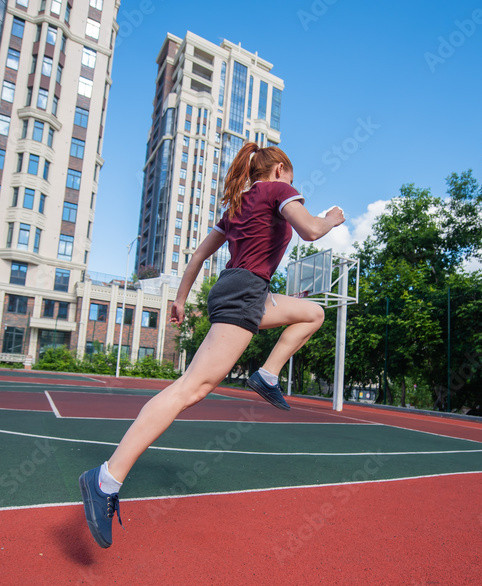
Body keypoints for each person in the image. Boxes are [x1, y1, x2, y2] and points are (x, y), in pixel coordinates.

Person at [79, 142, 345, 548]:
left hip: (243, 290)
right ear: (279, 173)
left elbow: (199, 255)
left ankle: (267, 375)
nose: (294, 186)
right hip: (245, 292)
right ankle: (104, 480)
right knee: (191, 388)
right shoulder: (275, 191)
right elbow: (309, 230)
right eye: (291, 178)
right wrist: (330, 219)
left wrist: (181, 299)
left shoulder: (239, 205)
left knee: (312, 312)